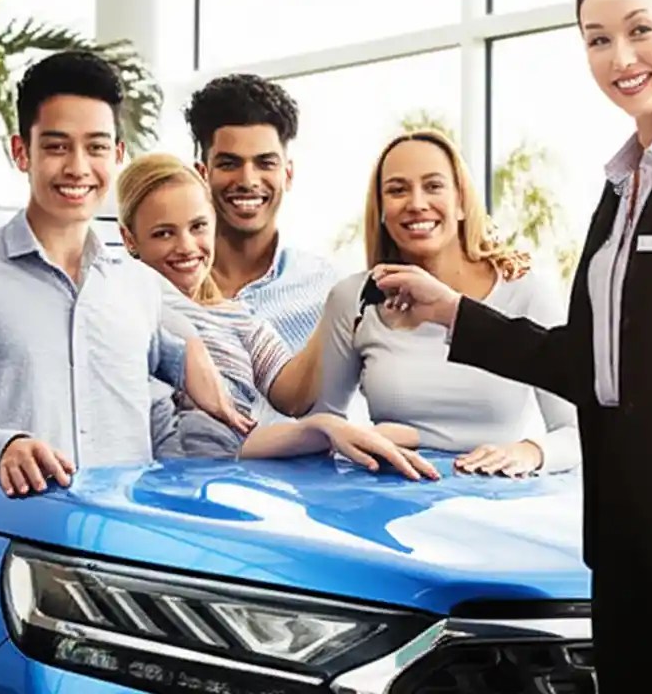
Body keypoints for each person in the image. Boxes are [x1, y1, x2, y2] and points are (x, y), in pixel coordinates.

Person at [373, 0, 652, 690]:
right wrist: (452, 309)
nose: (620, 56)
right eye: (598, 39)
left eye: (640, 31)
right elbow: (587, 361)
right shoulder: (620, 190)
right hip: (623, 545)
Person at [0, 51, 251, 498]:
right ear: (22, 152)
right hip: (18, 555)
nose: (78, 167)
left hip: (128, 549)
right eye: (57, 146)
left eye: (96, 147)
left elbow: (159, 429)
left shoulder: (138, 288)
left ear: (116, 154)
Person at [117, 152, 431, 478]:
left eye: (198, 227)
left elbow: (292, 395)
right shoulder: (128, 317)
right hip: (178, 487)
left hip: (239, 482)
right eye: (163, 233)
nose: (186, 246)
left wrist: (345, 303)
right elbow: (196, 446)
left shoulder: (237, 317)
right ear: (129, 239)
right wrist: (321, 430)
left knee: (402, 435)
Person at [311, 128, 581, 479]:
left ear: (461, 202)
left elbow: (577, 431)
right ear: (381, 210)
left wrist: (529, 452)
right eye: (397, 190)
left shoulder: (525, 293)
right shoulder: (354, 299)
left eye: (434, 186)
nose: (417, 202)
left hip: (494, 499)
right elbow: (323, 426)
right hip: (386, 499)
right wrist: (359, 439)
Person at [183, 73, 339, 354]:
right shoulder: (164, 284)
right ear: (201, 174)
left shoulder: (328, 291)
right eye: (229, 164)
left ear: (287, 174)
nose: (247, 181)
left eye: (265, 163)